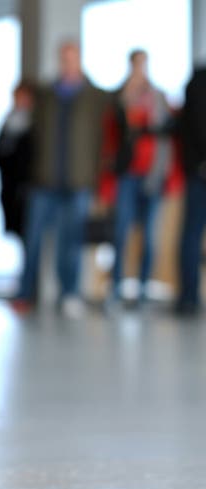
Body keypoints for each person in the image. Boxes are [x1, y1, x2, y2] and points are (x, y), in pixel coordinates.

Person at [12, 41, 111, 317]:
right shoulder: (45, 96)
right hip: (45, 179)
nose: (68, 63)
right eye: (63, 57)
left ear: (79, 59)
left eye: (72, 58)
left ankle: (69, 293)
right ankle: (24, 293)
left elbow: (105, 139)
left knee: (71, 241)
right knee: (32, 239)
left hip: (78, 180)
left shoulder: (95, 97)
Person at [104, 50, 176, 308]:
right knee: (121, 232)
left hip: (153, 174)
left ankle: (144, 290)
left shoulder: (158, 97)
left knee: (149, 235)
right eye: (136, 64)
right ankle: (116, 289)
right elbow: (116, 130)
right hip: (128, 174)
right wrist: (128, 94)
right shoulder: (122, 97)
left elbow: (168, 135)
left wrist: (165, 173)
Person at [177, 67, 206, 315]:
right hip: (199, 171)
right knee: (192, 236)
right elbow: (197, 124)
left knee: (191, 235)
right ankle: (188, 297)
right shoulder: (198, 82)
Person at [0, 81, 36, 239]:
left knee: (28, 227)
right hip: (9, 181)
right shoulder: (8, 120)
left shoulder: (35, 122)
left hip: (26, 183)